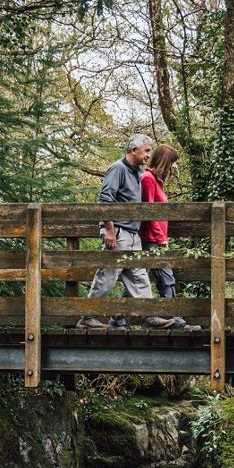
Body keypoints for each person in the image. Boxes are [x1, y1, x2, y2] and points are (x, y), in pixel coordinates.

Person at [77, 134, 155, 330]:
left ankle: (150, 315)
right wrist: (110, 230)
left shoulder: (136, 172)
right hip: (119, 231)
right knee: (108, 276)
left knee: (139, 275)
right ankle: (87, 317)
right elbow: (105, 200)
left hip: (132, 232)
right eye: (146, 151)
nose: (148, 155)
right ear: (133, 150)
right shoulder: (117, 169)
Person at [132, 144, 200, 330]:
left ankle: (117, 320)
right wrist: (161, 238)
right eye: (171, 163)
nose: (171, 168)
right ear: (164, 162)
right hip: (150, 240)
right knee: (165, 278)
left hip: (155, 239)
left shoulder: (156, 180)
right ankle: (177, 321)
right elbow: (149, 212)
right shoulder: (147, 179)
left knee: (139, 279)